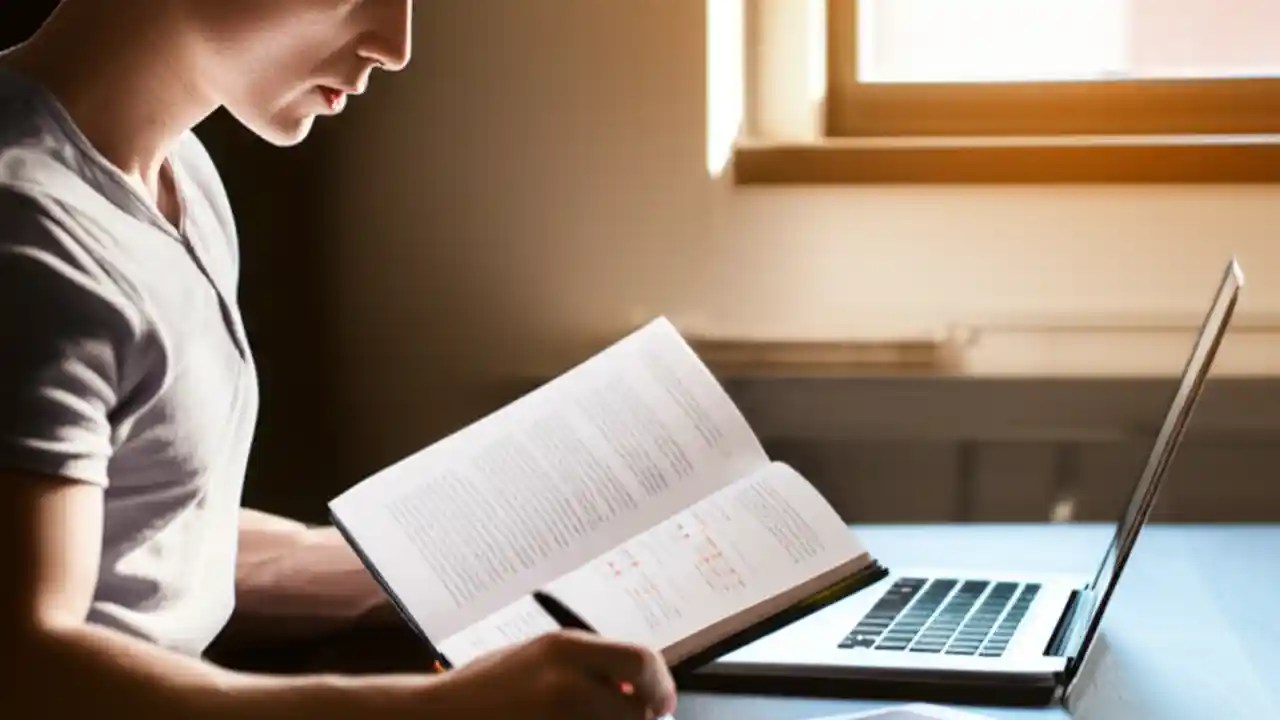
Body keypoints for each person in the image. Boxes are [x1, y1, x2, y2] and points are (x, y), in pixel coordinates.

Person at [0, 2, 678, 719]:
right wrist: (447, 710)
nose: (395, 44)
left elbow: (135, 532)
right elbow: (22, 663)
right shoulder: (32, 237)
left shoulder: (178, 177)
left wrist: (451, 572)